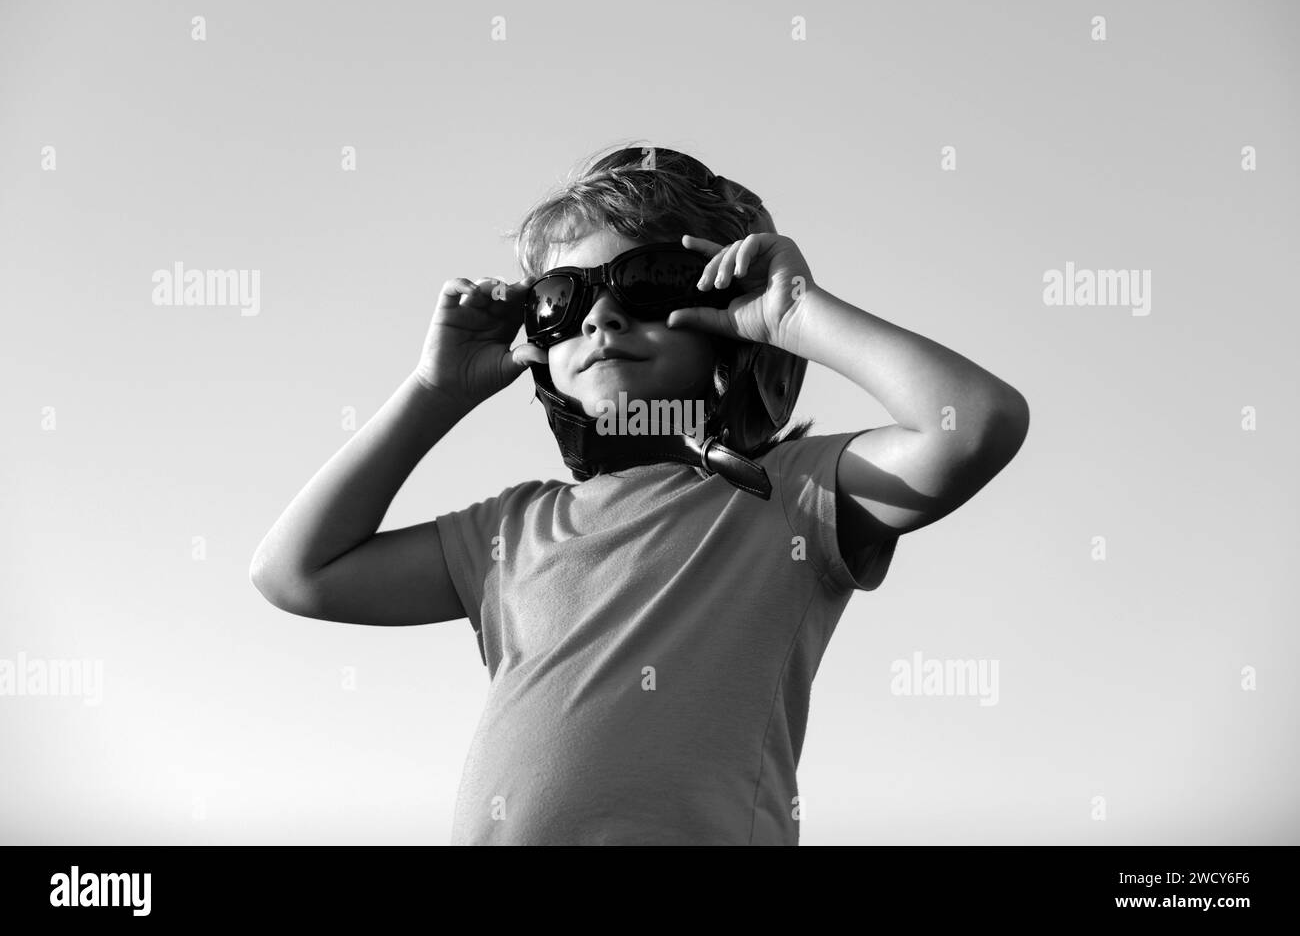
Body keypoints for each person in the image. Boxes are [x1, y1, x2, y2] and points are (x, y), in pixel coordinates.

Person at [250, 145, 1031, 845]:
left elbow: (974, 425)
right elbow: (296, 571)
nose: (602, 315)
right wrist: (434, 390)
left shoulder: (787, 498)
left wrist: (798, 313)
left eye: (649, 283)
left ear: (732, 317)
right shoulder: (511, 529)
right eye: (561, 297)